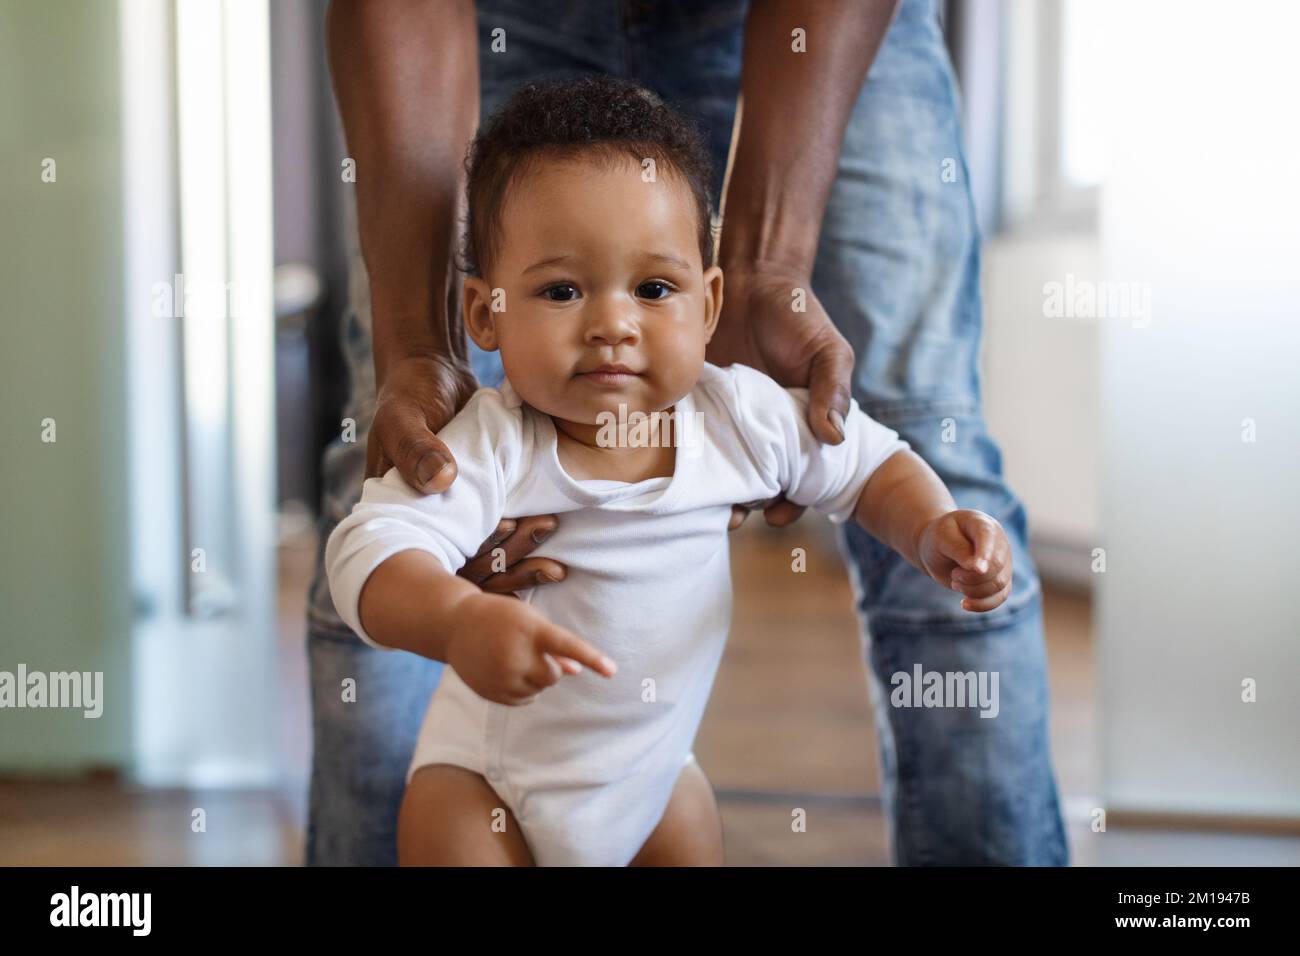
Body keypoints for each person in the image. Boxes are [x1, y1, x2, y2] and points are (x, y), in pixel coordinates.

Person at [308, 0, 1069, 866]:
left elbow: (870, 464)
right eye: (561, 291)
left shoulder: (737, 413)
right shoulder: (488, 442)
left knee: (935, 425)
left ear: (711, 303)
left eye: (655, 291)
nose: (613, 326)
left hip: (658, 783)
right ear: (484, 312)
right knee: (370, 470)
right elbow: (368, 551)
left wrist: (933, 526)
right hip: (486, 790)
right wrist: (454, 623)